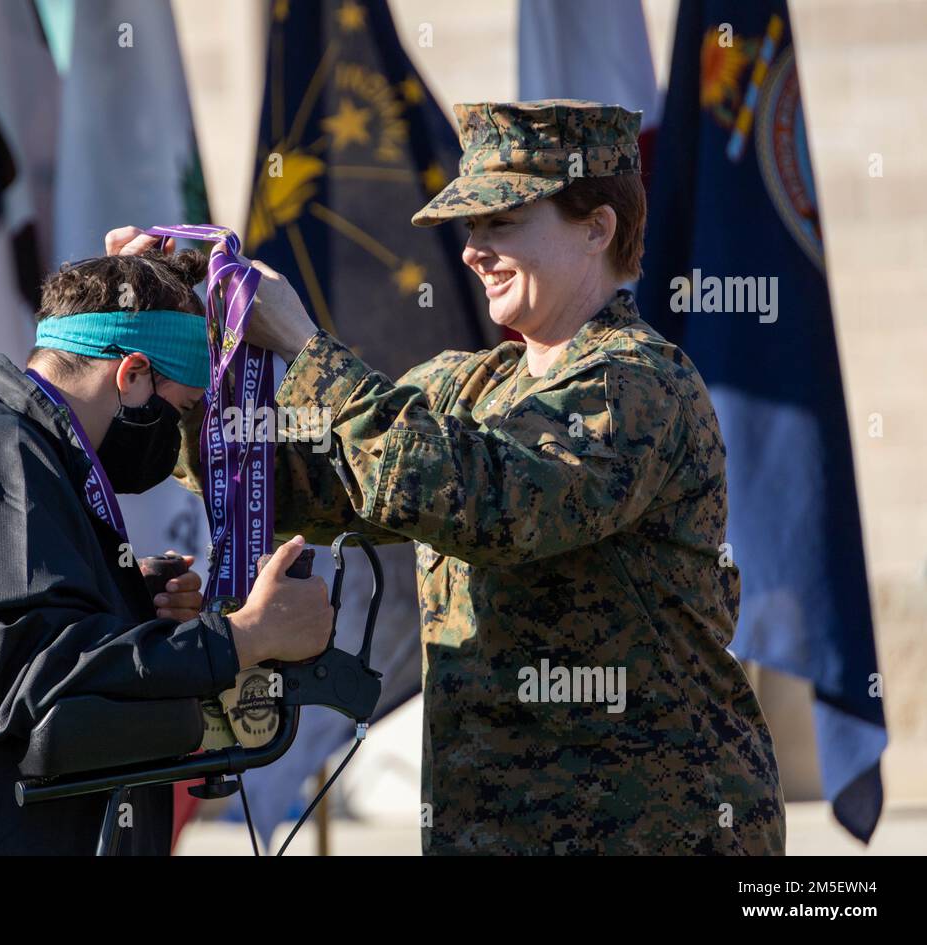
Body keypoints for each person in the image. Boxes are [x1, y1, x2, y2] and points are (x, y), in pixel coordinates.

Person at [112, 99, 786, 855]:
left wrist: (303, 344)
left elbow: (488, 501)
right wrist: (165, 348)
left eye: (502, 222)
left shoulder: (639, 386)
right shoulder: (464, 388)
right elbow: (297, 482)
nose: (473, 251)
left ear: (597, 227)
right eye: (471, 228)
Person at [0, 248, 333, 855]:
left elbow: (10, 643)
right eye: (180, 411)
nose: (178, 439)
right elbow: (39, 685)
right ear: (131, 374)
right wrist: (246, 637)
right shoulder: (2, 461)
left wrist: (121, 597)